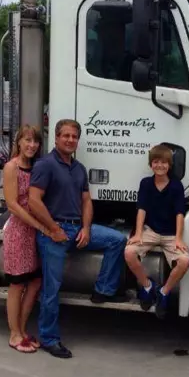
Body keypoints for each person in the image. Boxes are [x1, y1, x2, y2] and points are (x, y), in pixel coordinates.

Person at [28, 119, 127, 359]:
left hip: (77, 228)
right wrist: (53, 229)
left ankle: (103, 290)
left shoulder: (79, 168)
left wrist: (86, 228)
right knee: (52, 288)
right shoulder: (45, 165)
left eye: (74, 137)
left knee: (117, 240)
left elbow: (86, 201)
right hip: (54, 233)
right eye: (66, 136)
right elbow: (34, 200)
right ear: (57, 137)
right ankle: (49, 339)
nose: (71, 140)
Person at [124, 144, 189, 319]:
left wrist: (179, 238)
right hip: (151, 231)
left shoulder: (176, 186)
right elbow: (141, 209)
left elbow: (179, 213)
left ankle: (164, 292)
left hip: (170, 235)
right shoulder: (146, 183)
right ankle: (147, 286)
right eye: (156, 162)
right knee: (129, 252)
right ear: (151, 164)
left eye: (164, 162)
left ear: (169, 165)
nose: (160, 165)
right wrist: (138, 233)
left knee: (184, 261)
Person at [2, 124, 44, 354]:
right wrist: (38, 224)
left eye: (35, 141)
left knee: (35, 282)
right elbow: (12, 205)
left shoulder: (36, 167)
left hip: (34, 233)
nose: (31, 145)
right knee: (17, 284)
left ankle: (23, 329)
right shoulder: (12, 167)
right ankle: (14, 334)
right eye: (27, 140)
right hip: (19, 232)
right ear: (19, 142)